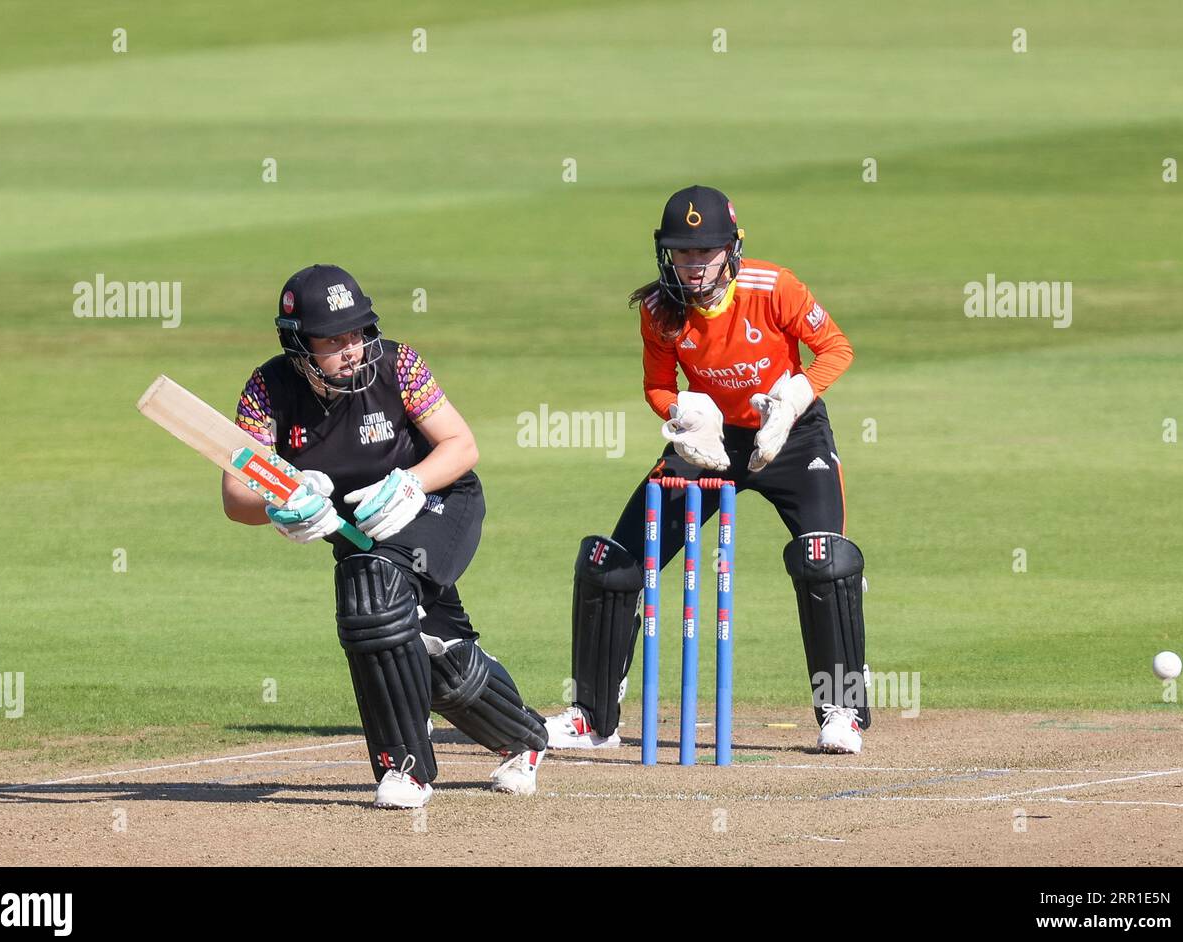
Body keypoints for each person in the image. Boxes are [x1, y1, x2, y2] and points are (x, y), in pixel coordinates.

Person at [545, 186, 873, 756]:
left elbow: (836, 349)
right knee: (614, 563)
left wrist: (794, 399)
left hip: (790, 434)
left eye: (705, 252)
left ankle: (841, 710)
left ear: (731, 249)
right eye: (682, 252)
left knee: (825, 563)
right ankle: (591, 718)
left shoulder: (775, 288)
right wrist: (682, 414)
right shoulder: (658, 310)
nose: (693, 264)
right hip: (711, 440)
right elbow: (657, 384)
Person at [225, 264, 548, 808]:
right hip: (359, 529)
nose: (351, 350)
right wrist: (280, 506)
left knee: (371, 597)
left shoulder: (399, 364)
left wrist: (411, 483)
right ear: (299, 345)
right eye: (333, 340)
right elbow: (237, 498)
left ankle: (406, 769)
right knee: (430, 648)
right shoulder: (266, 390)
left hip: (438, 503)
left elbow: (462, 446)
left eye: (356, 333)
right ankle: (524, 737)